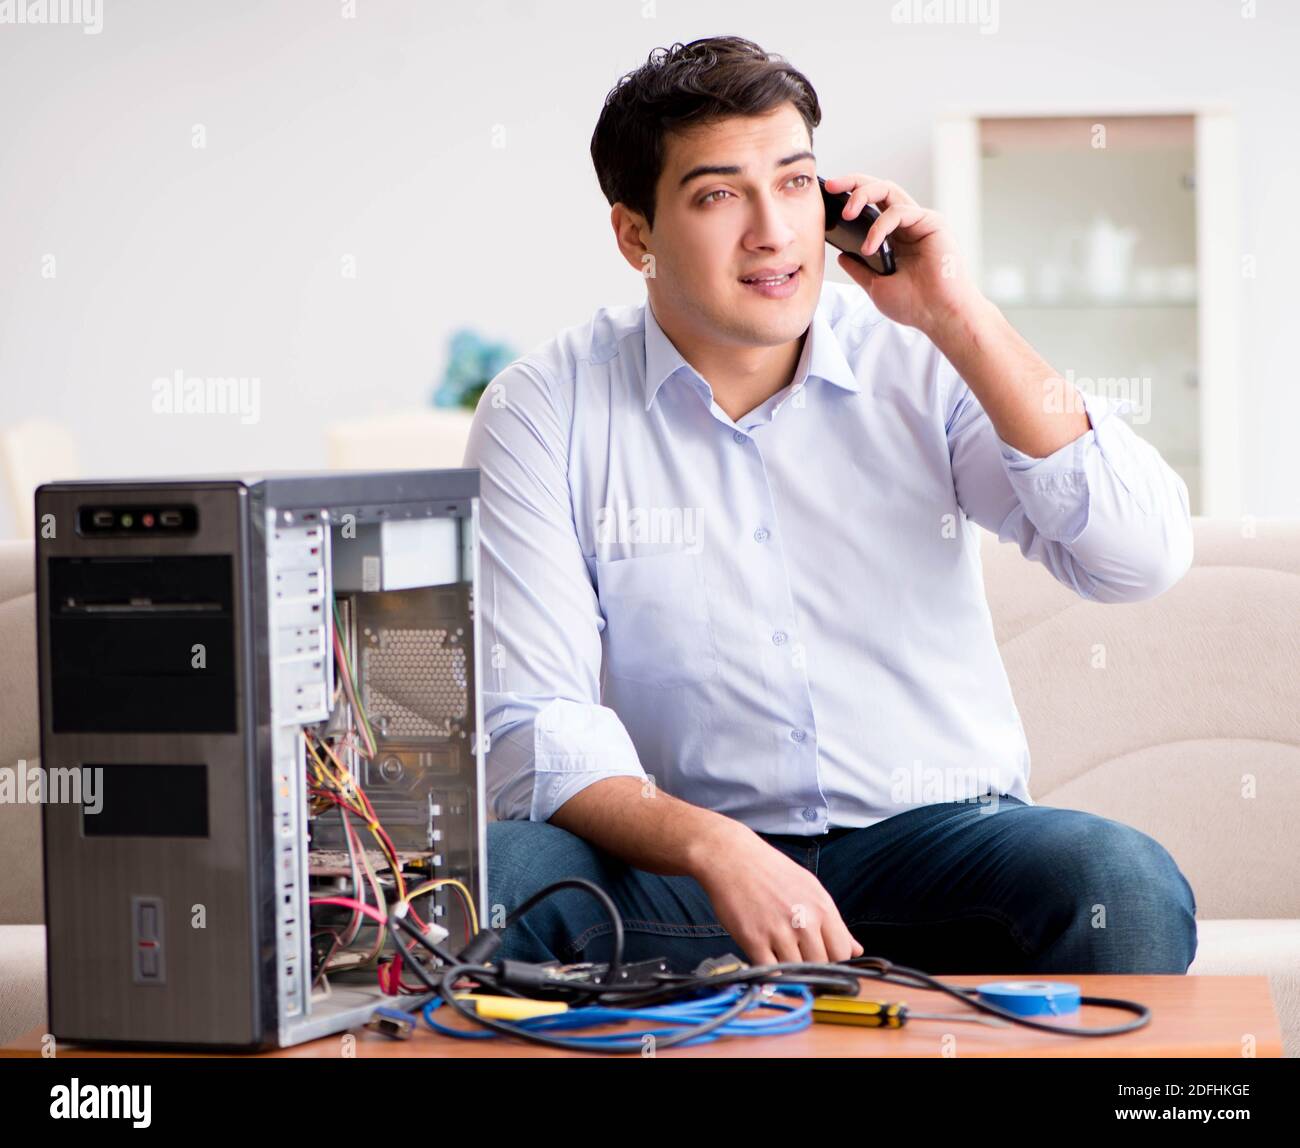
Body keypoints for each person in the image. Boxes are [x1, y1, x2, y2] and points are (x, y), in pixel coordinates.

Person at [462, 35, 1197, 975]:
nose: (773, 231)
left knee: (1120, 884)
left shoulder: (924, 352)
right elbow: (535, 718)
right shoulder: (545, 407)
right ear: (635, 234)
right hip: (694, 874)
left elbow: (1139, 559)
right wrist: (714, 847)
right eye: (719, 195)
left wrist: (957, 314)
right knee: (503, 877)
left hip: (936, 849)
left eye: (797, 183)